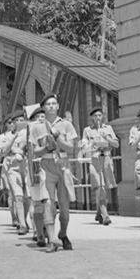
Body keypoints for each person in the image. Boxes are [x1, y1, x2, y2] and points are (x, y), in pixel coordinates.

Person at [30, 93, 79, 250]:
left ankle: (62, 234)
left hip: (63, 165)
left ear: (58, 106)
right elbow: (34, 152)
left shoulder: (66, 125)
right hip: (46, 165)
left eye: (54, 103)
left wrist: (58, 139)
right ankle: (52, 240)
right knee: (48, 204)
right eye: (48, 104)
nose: (51, 106)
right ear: (43, 108)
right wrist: (46, 147)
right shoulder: (36, 127)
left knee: (64, 209)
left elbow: (71, 148)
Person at [82, 106, 119, 225]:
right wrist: (92, 144)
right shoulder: (87, 130)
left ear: (102, 116)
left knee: (105, 186)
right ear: (92, 118)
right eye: (95, 116)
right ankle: (105, 215)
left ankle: (99, 212)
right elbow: (83, 147)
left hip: (106, 158)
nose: (97, 118)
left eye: (99, 115)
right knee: (99, 186)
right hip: (94, 159)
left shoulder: (108, 128)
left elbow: (116, 144)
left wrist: (106, 138)